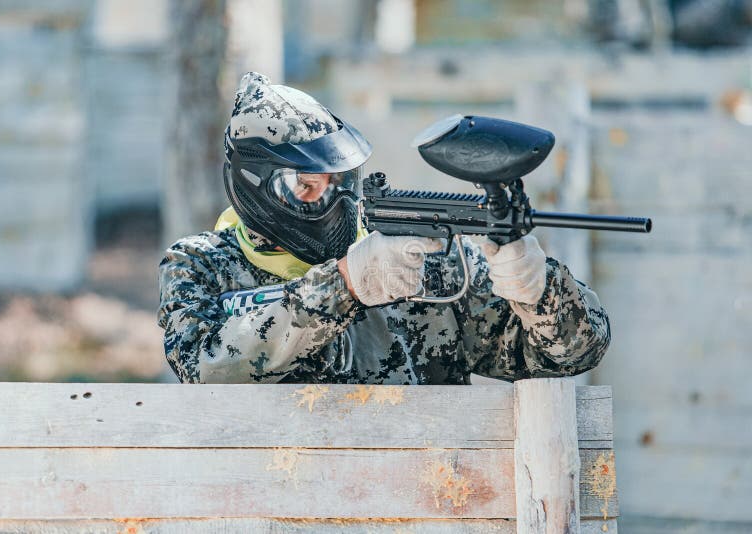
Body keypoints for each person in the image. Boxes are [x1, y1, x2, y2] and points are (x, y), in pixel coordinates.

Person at [157, 72, 610, 384]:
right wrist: (346, 286)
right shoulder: (201, 266)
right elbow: (203, 364)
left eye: (342, 181)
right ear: (255, 183)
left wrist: (540, 293)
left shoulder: (427, 266)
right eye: (308, 186)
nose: (335, 200)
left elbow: (573, 354)